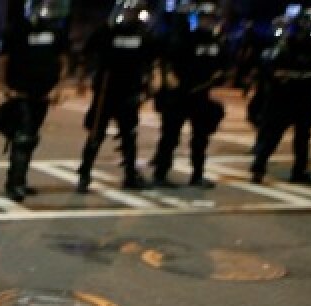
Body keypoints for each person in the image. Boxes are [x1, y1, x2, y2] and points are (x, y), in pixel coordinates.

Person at [75, 0, 157, 193]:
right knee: (96, 133)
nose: (130, 15)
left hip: (130, 90)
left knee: (129, 134)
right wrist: (81, 79)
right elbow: (86, 55)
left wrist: (149, 84)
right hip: (106, 89)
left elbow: (149, 62)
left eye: (134, 11)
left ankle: (130, 174)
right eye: (128, 11)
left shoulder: (143, 34)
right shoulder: (106, 31)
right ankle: (84, 173)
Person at [0, 0, 70, 202]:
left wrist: (58, 88)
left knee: (31, 138)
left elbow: (63, 60)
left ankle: (19, 179)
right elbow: (3, 59)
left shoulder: (56, 31)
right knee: (23, 137)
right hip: (21, 93)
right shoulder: (17, 29)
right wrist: (4, 86)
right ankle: (15, 184)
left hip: (43, 94)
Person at [250, 8, 311, 185]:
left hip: (306, 96)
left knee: (303, 136)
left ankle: (299, 170)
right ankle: (259, 166)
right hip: (285, 96)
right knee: (274, 133)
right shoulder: (289, 41)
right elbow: (272, 63)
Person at [151, 2, 227, 189]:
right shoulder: (182, 38)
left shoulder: (215, 42)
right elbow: (166, 60)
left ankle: (197, 174)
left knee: (200, 138)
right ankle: (160, 173)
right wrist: (168, 80)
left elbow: (222, 64)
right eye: (203, 18)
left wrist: (219, 74)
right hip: (179, 95)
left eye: (210, 19)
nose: (207, 22)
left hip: (201, 95)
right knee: (170, 136)